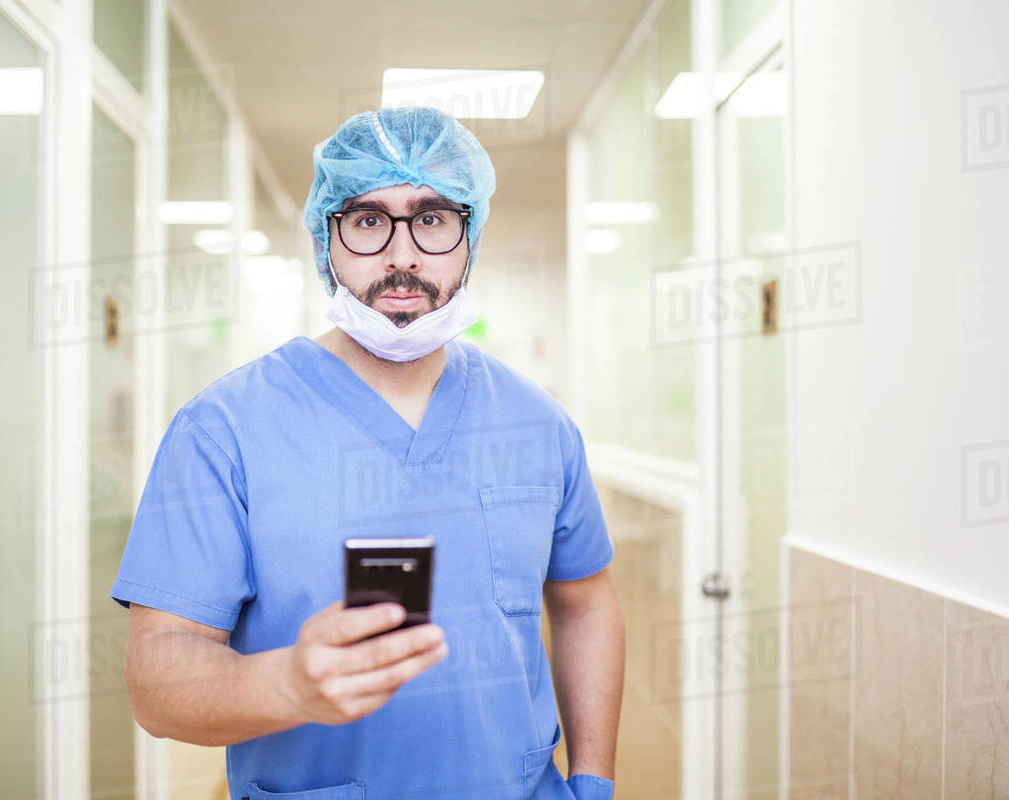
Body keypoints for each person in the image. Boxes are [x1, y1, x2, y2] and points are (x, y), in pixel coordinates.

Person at [112, 106, 625, 800]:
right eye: (368, 220)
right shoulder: (222, 431)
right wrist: (285, 683)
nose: (403, 254)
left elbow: (586, 601)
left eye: (434, 218)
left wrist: (593, 777)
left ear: (470, 237)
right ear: (326, 242)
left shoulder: (537, 425)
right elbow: (158, 683)